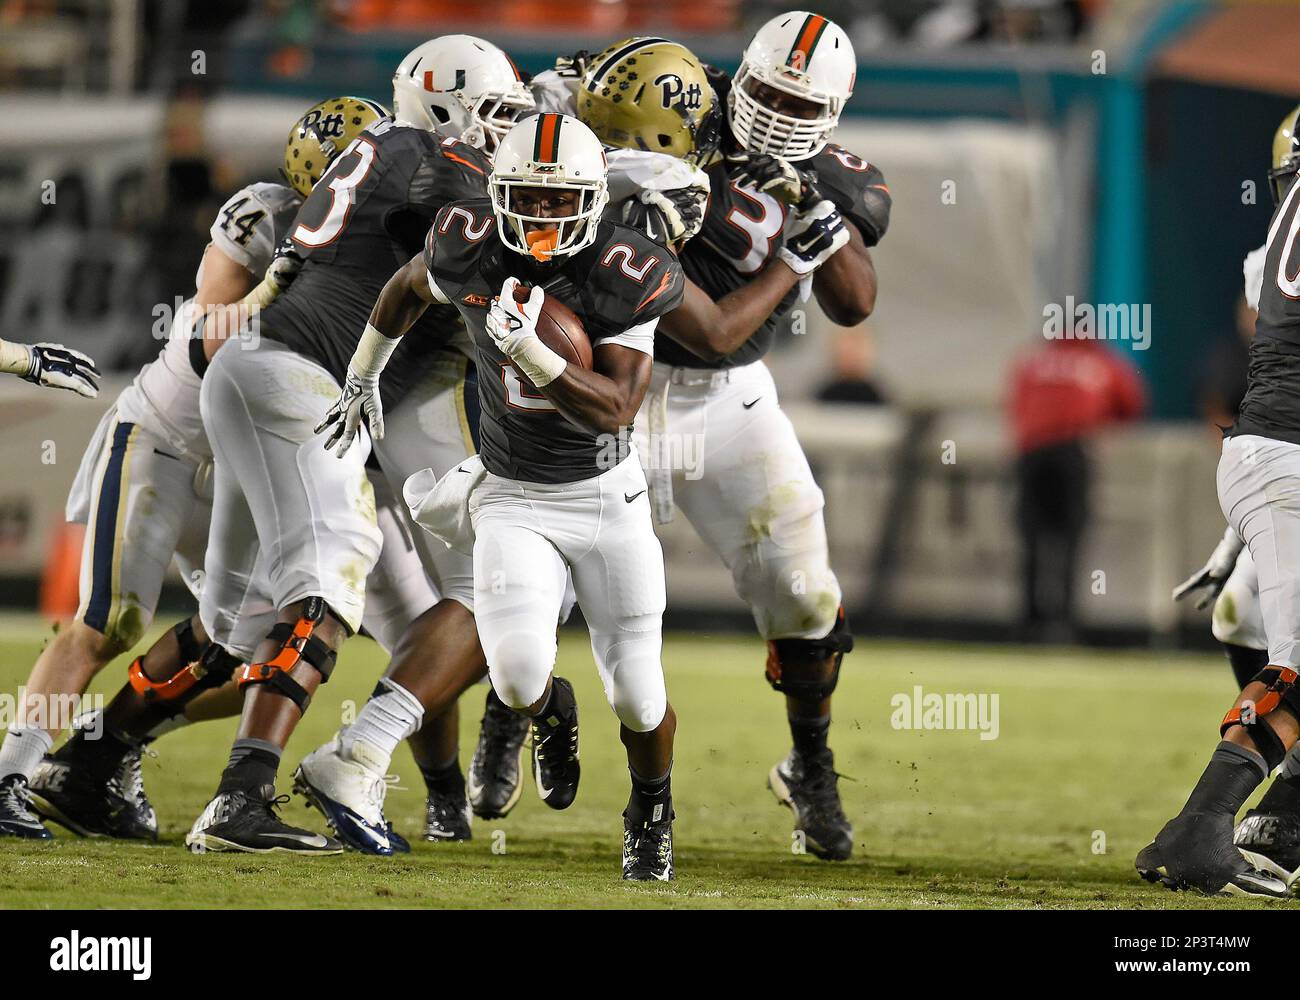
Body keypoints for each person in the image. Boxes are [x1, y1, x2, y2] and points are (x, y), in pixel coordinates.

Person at [0, 96, 385, 840]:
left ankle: (99, 752)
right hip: (168, 437)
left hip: (249, 466)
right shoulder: (268, 215)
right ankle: (12, 769)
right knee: (111, 617)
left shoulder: (391, 244)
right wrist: (279, 285)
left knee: (255, 645)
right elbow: (209, 327)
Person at [314, 113, 688, 880]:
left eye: (560, 203)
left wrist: (531, 353)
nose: (544, 219)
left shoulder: (626, 269)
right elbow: (405, 288)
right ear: (497, 191)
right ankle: (552, 709)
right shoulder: (467, 239)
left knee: (641, 697)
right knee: (516, 677)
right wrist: (363, 371)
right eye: (528, 198)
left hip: (605, 497)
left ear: (594, 199)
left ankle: (651, 809)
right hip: (511, 494)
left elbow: (616, 408)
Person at [182, 40, 520, 855]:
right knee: (334, 575)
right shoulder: (426, 158)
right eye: (496, 113)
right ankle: (239, 800)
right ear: (446, 105)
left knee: (232, 623)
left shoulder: (392, 150)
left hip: (276, 374)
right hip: (300, 378)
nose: (504, 131)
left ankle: (90, 754)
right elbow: (479, 252)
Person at [1134, 105, 1300, 898]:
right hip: (1291, 458)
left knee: (1259, 630)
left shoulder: (1278, 230)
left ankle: (1266, 820)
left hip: (1263, 453)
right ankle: (1208, 829)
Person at [1005, 334, 1144, 640]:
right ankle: (1063, 623)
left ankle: (1029, 621)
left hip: (1032, 453)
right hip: (1071, 450)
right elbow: (1132, 402)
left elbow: (1013, 404)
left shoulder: (1034, 360)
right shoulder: (1100, 360)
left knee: (1032, 537)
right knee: (1070, 539)